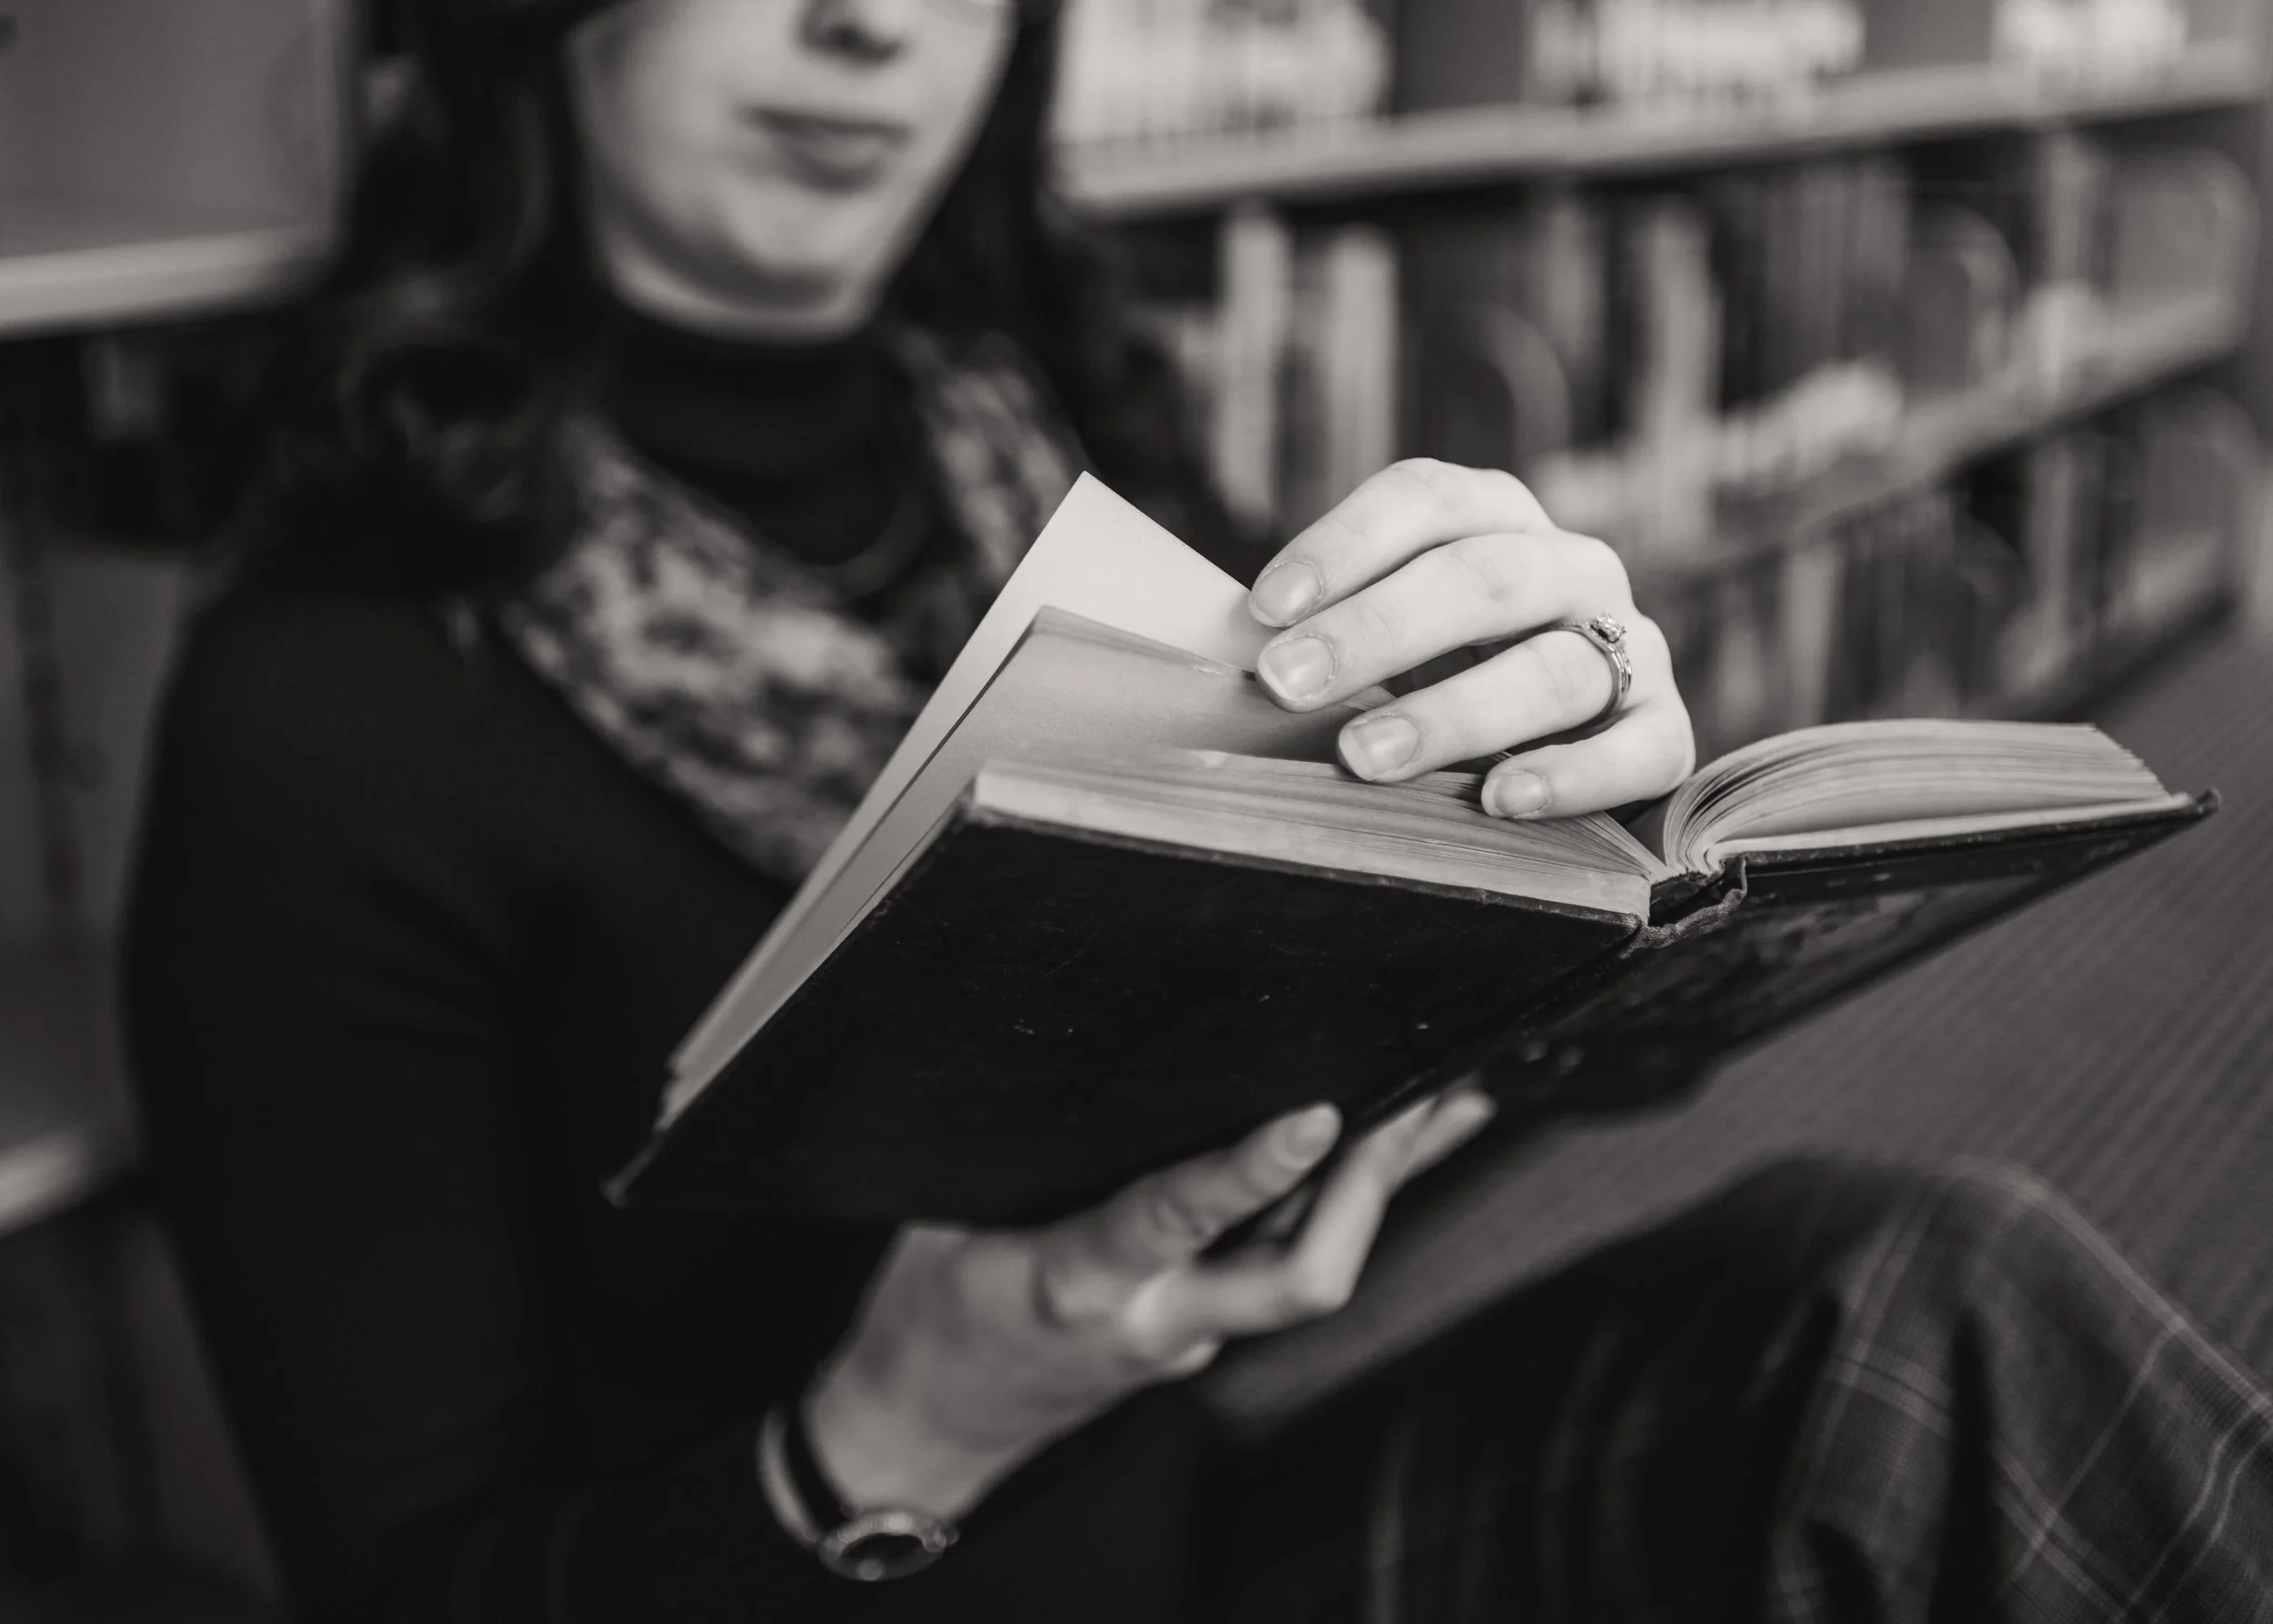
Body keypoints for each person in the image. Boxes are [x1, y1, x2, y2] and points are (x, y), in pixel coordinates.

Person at [123, 2, 2273, 1621]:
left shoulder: (1060, 461)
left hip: (1183, 1523)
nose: (870, 19)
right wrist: (905, 1419)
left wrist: (1570, 828)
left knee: (1933, 1294)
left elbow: (1406, 1075)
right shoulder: (328, 705)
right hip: (847, 1567)